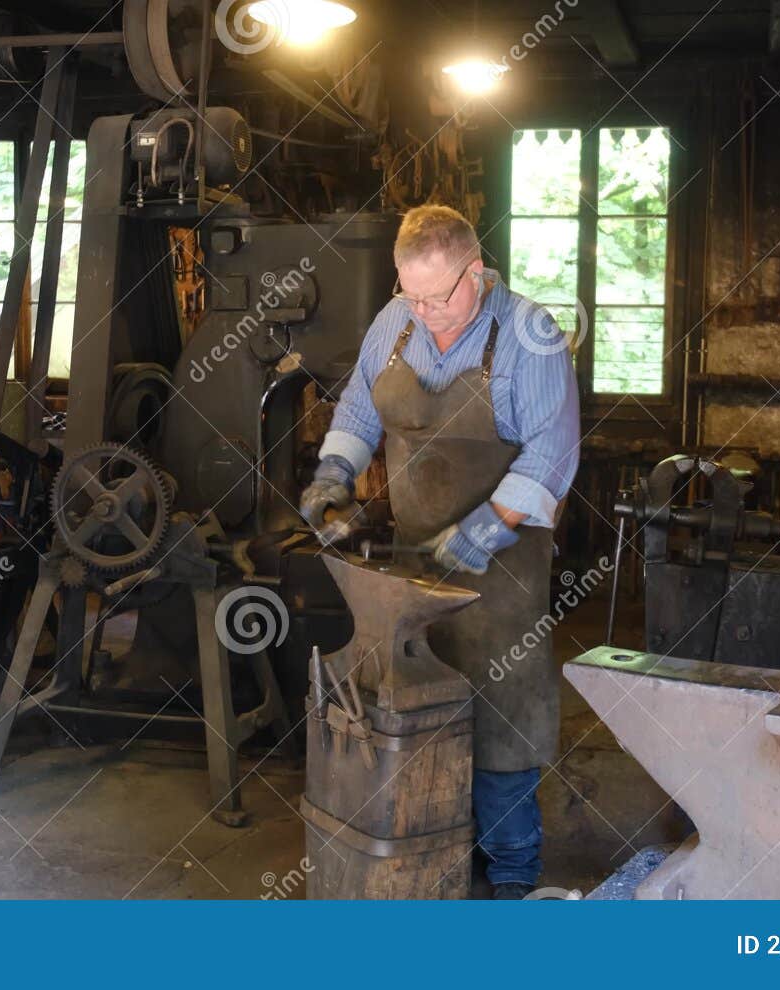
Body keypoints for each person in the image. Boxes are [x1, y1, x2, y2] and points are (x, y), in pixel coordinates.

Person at [299, 204, 580, 899]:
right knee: (417, 707)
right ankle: (432, 859)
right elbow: (360, 411)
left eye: (438, 296)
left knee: (501, 722)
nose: (423, 312)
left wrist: (483, 531)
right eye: (410, 294)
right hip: (415, 562)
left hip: (503, 578)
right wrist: (332, 474)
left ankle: (514, 879)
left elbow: (552, 453)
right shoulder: (396, 323)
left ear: (477, 274)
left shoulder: (528, 335)